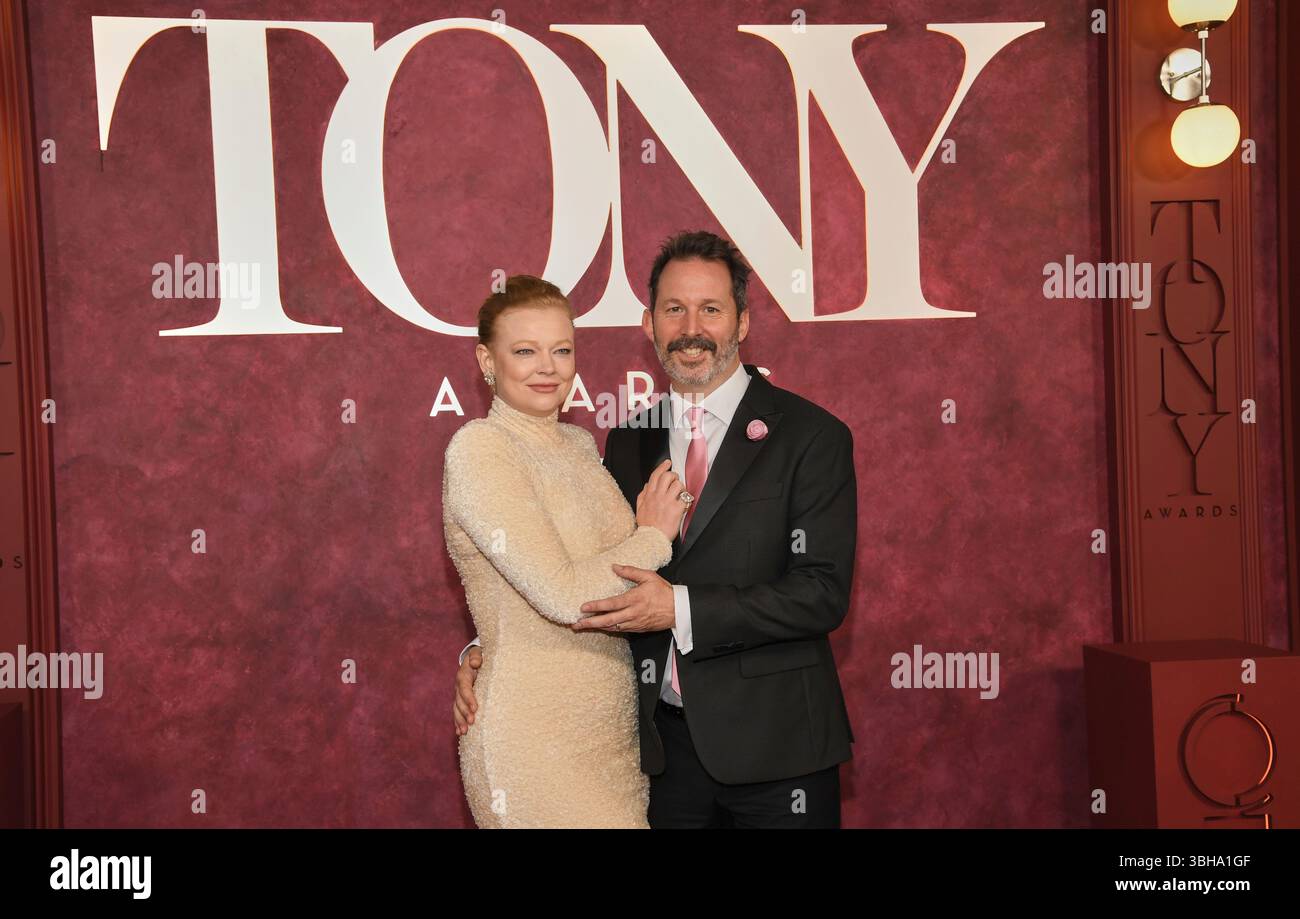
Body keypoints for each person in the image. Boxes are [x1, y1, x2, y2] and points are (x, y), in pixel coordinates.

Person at [454, 231, 858, 828]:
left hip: (779, 756)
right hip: (658, 758)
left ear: (743, 322)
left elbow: (821, 593)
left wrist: (681, 608)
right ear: (648, 323)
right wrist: (488, 645)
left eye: (711, 309)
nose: (690, 327)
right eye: (674, 309)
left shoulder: (811, 435)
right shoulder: (626, 440)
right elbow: (575, 568)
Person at [441, 275, 690, 828]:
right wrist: (653, 536)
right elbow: (562, 593)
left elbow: (594, 579)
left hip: (612, 741)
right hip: (532, 742)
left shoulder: (579, 445)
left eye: (561, 350)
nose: (547, 367)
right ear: (487, 359)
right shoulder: (480, 449)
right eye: (525, 351)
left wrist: (479, 645)